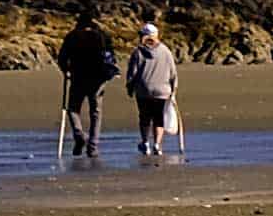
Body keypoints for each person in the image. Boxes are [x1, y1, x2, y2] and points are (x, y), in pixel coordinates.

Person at [54, 10, 116, 162]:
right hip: (98, 78)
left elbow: (62, 58)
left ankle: (79, 134)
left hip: (78, 77)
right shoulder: (101, 36)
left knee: (73, 109)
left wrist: (65, 71)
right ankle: (93, 146)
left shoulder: (72, 37)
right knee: (96, 112)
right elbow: (111, 56)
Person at [125, 20, 182, 160]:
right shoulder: (166, 51)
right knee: (158, 118)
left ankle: (145, 142)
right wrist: (173, 90)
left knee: (144, 117)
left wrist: (130, 87)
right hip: (162, 91)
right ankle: (157, 144)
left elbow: (132, 73)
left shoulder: (138, 52)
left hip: (144, 90)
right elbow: (173, 72)